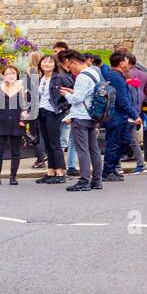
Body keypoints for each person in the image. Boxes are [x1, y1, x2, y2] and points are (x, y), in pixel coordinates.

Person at [60, 51, 103, 192]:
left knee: (82, 149)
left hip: (81, 116)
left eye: (70, 66)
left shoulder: (81, 77)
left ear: (74, 63)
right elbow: (88, 94)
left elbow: (77, 99)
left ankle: (84, 180)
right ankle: (97, 180)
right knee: (94, 149)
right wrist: (73, 92)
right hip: (92, 115)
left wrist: (67, 94)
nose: (70, 70)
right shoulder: (93, 72)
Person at [0, 65, 28, 186]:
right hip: (0, 124)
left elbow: (27, 108)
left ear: (17, 75)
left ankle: (13, 177)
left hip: (17, 124)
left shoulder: (23, 90)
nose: (11, 75)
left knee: (16, 152)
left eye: (13, 73)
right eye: (8, 73)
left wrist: (23, 121)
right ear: (3, 76)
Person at [101, 52, 139, 181]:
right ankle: (108, 171)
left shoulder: (114, 76)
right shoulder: (116, 77)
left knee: (124, 141)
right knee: (114, 144)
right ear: (122, 63)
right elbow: (122, 100)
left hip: (118, 115)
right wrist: (135, 115)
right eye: (127, 61)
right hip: (115, 116)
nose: (128, 64)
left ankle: (112, 168)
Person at [34, 52, 71, 185]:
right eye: (44, 62)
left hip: (53, 113)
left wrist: (65, 110)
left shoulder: (60, 78)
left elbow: (71, 92)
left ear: (55, 65)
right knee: (48, 143)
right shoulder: (40, 79)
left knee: (55, 143)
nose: (47, 64)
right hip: (41, 112)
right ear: (40, 65)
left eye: (50, 62)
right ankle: (51, 171)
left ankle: (60, 172)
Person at [125, 53, 147, 175]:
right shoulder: (144, 75)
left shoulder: (127, 75)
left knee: (122, 138)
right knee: (133, 138)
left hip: (128, 110)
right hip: (138, 107)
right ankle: (140, 163)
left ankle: (118, 165)